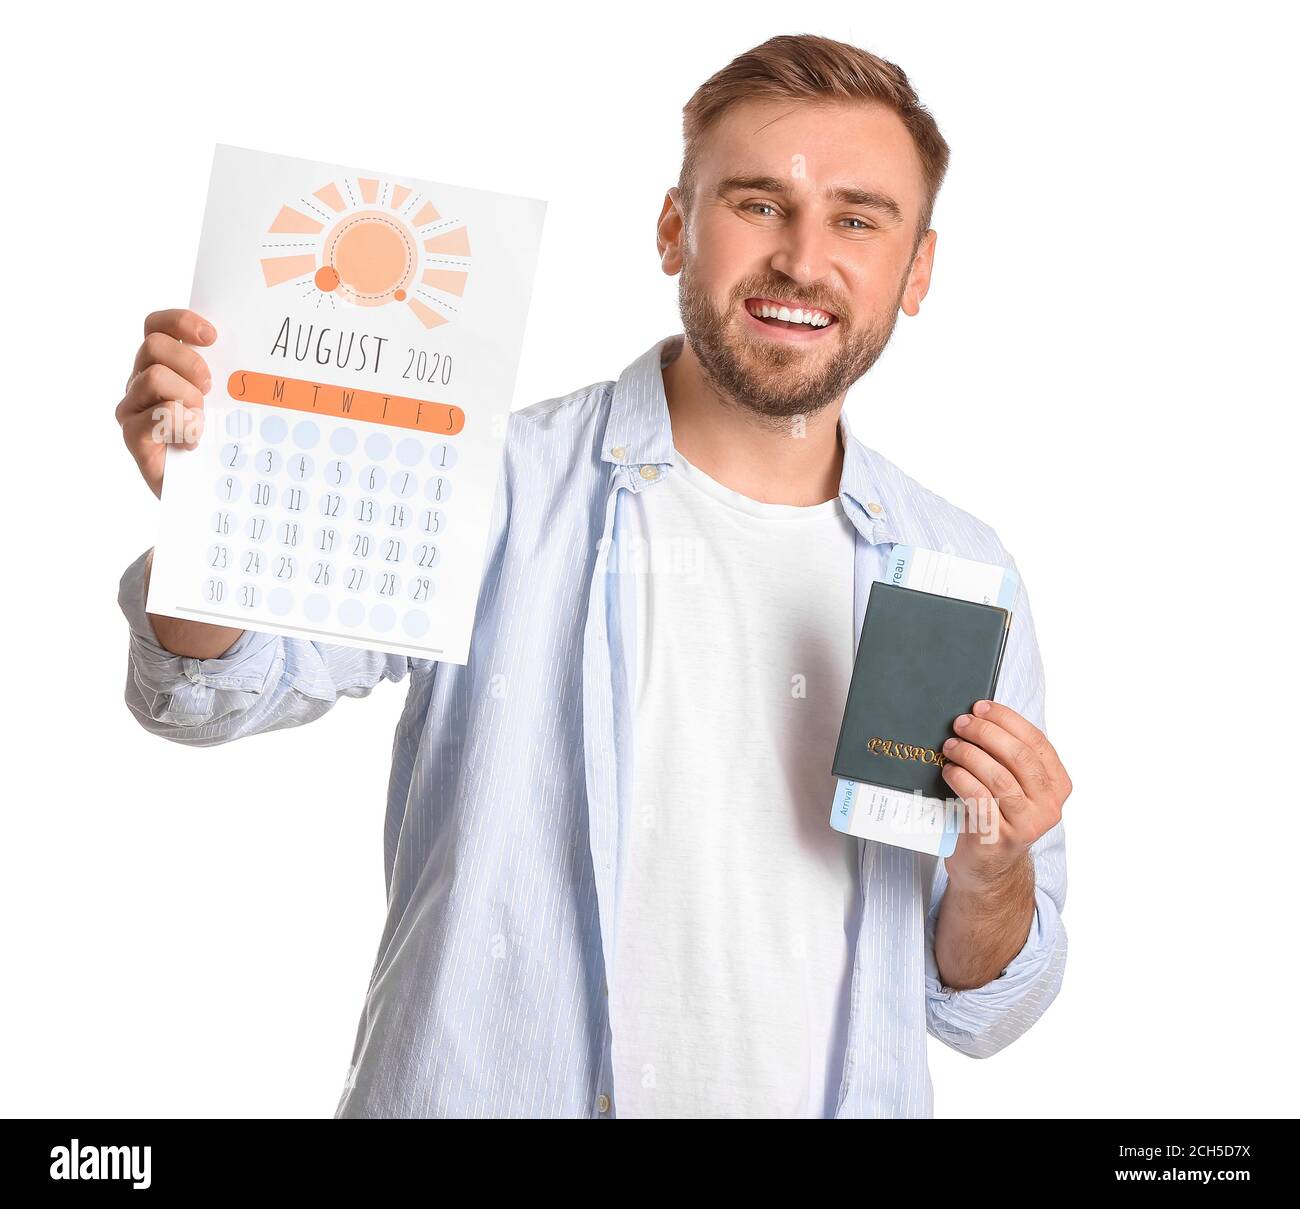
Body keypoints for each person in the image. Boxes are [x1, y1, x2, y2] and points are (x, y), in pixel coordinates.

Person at [114, 33, 1072, 1119]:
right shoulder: (494, 486)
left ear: (918, 269)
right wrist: (212, 516)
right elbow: (210, 695)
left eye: (857, 219)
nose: (804, 260)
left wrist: (996, 868)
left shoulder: (960, 573)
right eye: (758, 204)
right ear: (675, 229)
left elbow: (983, 1002)